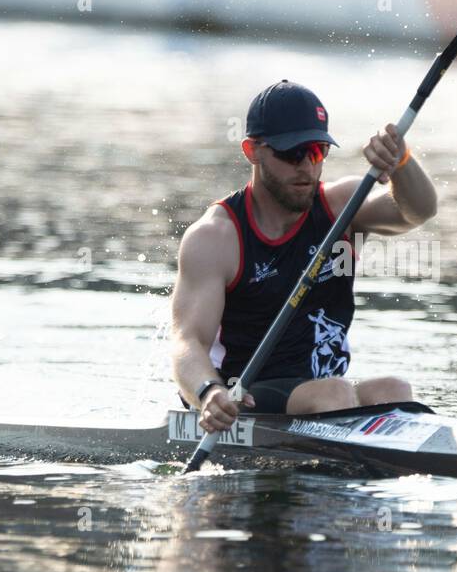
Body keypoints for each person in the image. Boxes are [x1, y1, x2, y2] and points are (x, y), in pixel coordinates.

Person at [171, 80, 438, 435]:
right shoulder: (216, 237)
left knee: (395, 390)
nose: (307, 168)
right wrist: (209, 392)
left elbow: (417, 212)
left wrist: (401, 161)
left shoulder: (342, 208)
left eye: (316, 152)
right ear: (252, 150)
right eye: (292, 154)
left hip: (323, 396)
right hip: (239, 401)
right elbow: (187, 340)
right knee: (334, 393)